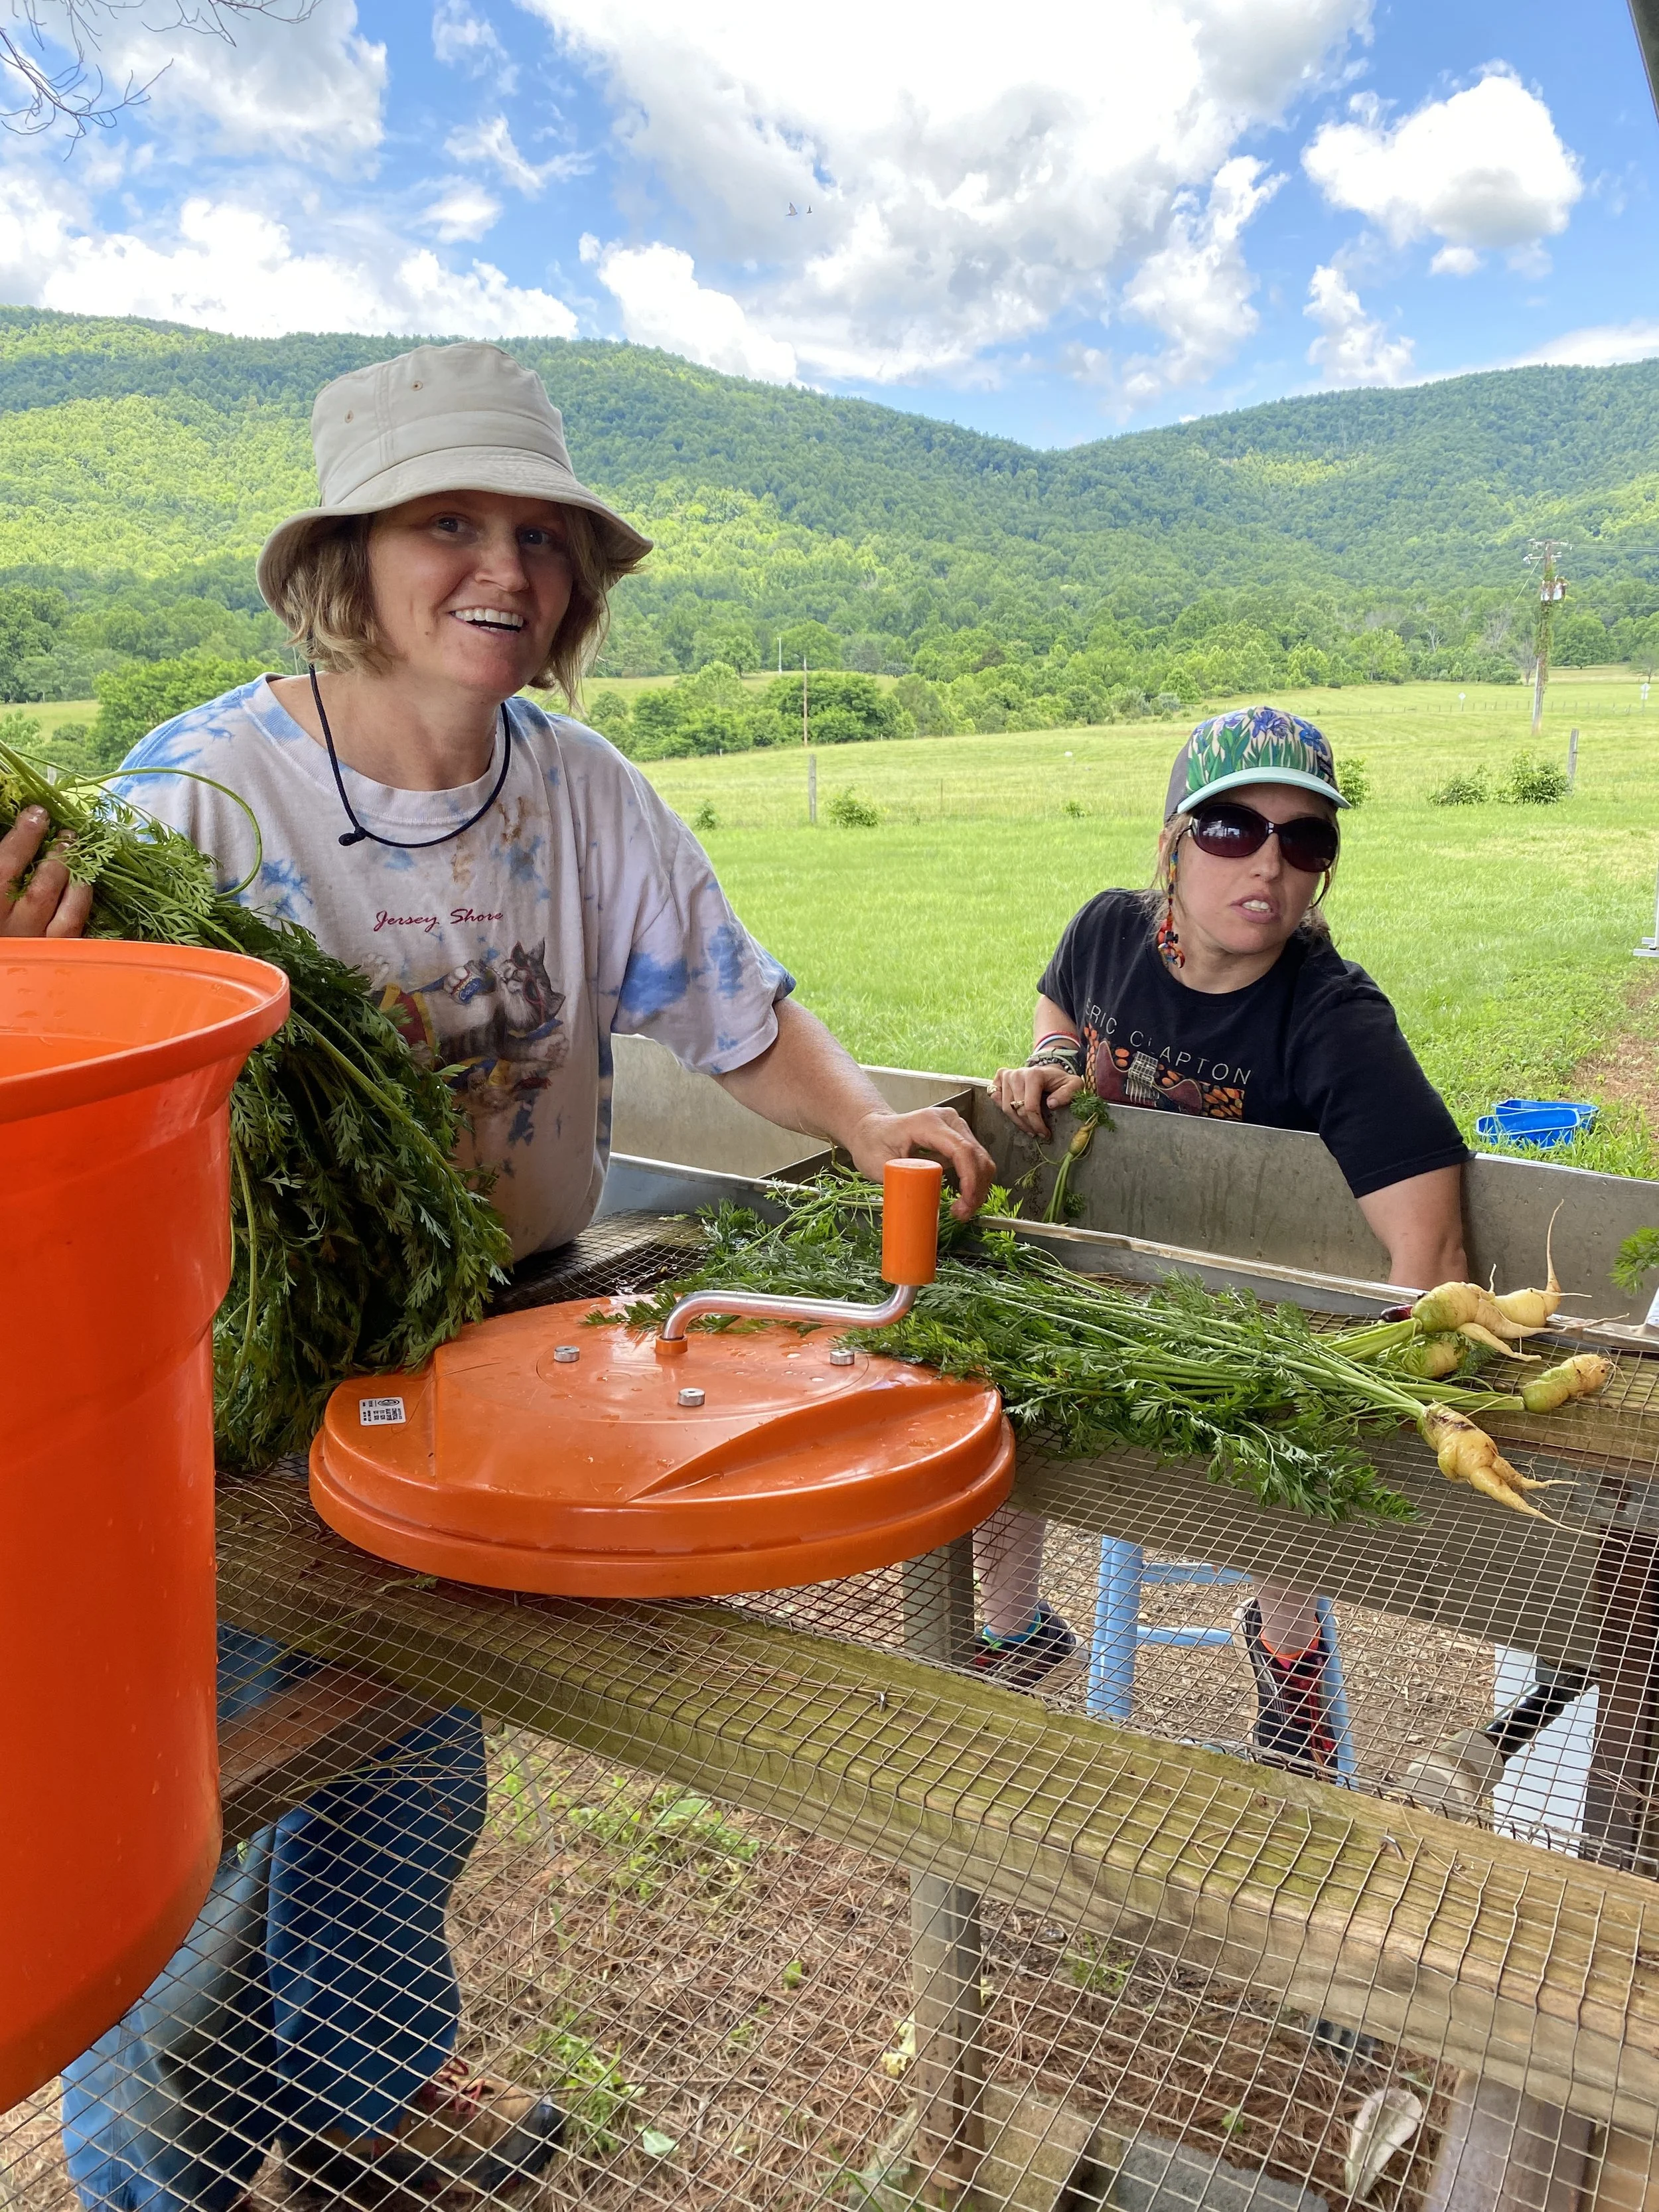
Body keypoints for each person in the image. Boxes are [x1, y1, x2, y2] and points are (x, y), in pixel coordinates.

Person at [27, 340, 995, 2212]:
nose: (508, 569)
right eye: (449, 524)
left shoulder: (583, 790)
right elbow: (90, 1076)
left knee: (410, 1754)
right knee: (212, 1793)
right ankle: (170, 2178)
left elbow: (736, 1001)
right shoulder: (204, 804)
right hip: (252, 1376)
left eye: (540, 535)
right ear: (347, 563)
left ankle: (370, 2105)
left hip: (498, 1336)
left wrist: (870, 1126)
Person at [987, 705, 1470, 1763]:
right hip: (1100, 1281)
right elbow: (1058, 998)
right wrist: (1054, 1055)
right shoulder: (1108, 930)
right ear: (1171, 842)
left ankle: (1286, 1649)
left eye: (1306, 840)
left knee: (1282, 1448)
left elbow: (1431, 1255)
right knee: (994, 1375)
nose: (1269, 863)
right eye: (1230, 828)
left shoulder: (1334, 1022)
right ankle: (1011, 1627)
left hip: (1249, 1321)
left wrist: (1358, 1385)